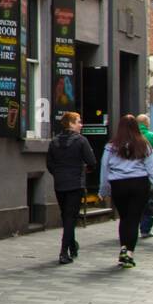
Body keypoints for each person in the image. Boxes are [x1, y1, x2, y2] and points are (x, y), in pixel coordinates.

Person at [99, 114, 153, 268]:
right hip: (139, 184)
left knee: (124, 218)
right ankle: (129, 253)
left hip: (118, 185)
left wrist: (104, 189)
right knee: (134, 219)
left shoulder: (111, 146)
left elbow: (105, 167)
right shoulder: (143, 144)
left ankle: (123, 247)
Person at [47, 111, 96, 264]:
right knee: (70, 217)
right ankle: (63, 252)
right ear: (70, 123)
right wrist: (85, 170)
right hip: (75, 184)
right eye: (78, 122)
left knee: (66, 215)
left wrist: (58, 174)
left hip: (60, 184)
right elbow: (92, 161)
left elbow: (49, 164)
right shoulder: (81, 141)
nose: (81, 125)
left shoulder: (54, 141)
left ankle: (72, 246)